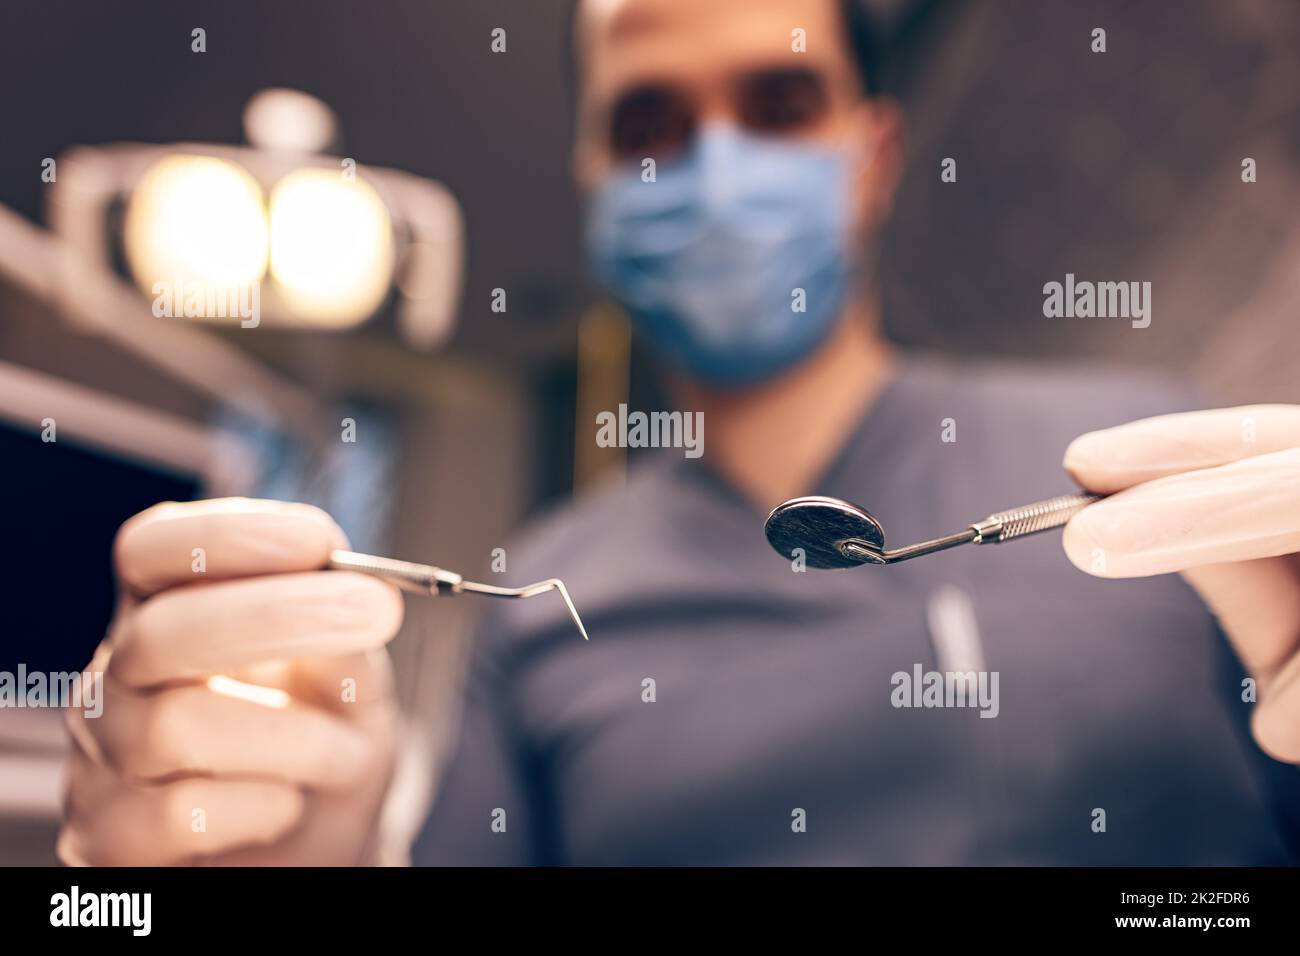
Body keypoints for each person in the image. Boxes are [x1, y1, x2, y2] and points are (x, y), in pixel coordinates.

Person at [59, 0, 1300, 865]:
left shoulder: (1144, 468)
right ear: (594, 182)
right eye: (650, 122)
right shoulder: (548, 603)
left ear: (871, 158)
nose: (715, 161)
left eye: (777, 101)